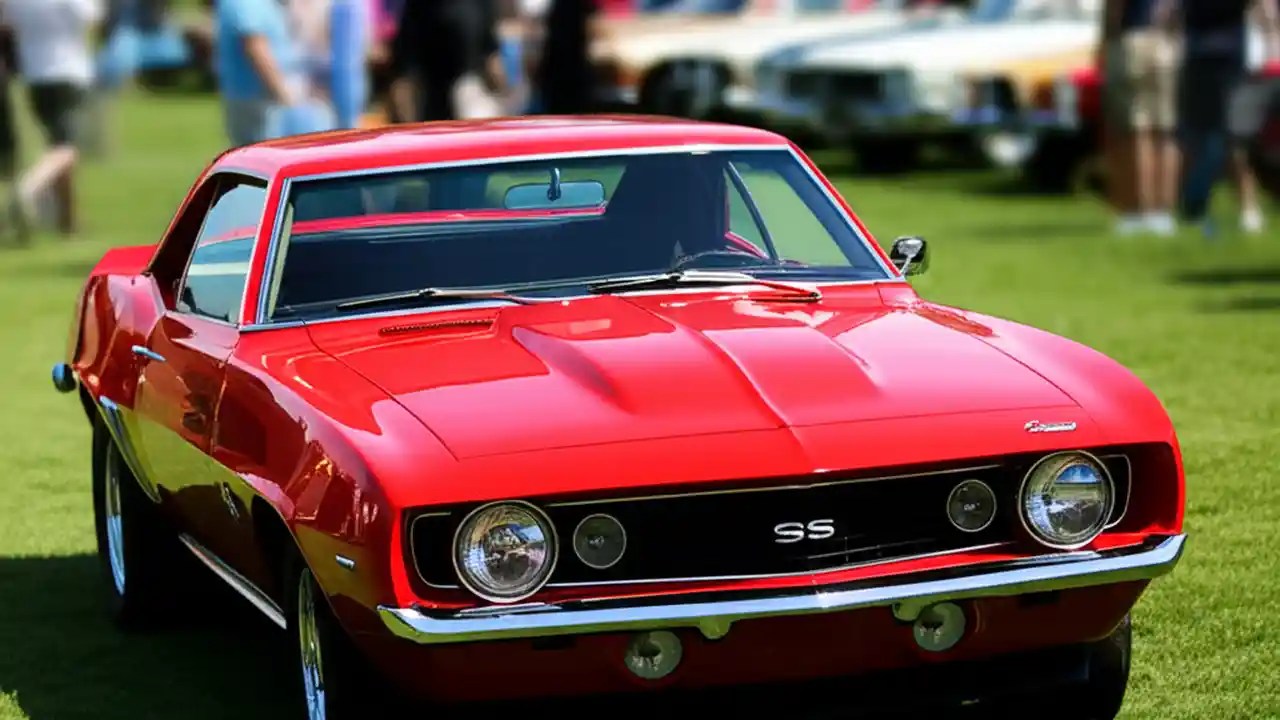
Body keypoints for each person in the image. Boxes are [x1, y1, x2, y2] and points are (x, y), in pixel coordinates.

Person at [1176, 0, 1280, 237]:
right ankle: (1243, 208)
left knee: (1206, 137)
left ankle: (1198, 204)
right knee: (1231, 137)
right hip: (1227, 58)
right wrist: (1271, 37)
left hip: (1205, 56)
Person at [1, 0, 104, 236]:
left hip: (35, 75)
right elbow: (92, 17)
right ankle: (29, 186)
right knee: (68, 149)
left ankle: (68, 220)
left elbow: (7, 24)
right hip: (70, 72)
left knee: (58, 145)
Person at [1100, 0, 1180, 237]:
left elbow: (1115, 8)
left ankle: (1139, 210)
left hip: (1134, 39)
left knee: (1136, 130)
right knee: (1164, 130)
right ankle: (1163, 210)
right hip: (1167, 43)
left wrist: (1106, 41)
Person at [390, 0, 506, 122]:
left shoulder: (480, 4)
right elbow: (404, 74)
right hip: (434, 104)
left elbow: (492, 57)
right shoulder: (418, 6)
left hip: (473, 96)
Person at [214, 0, 306, 147]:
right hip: (258, 101)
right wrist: (286, 95)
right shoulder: (247, 4)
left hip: (266, 99)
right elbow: (255, 47)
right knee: (266, 159)